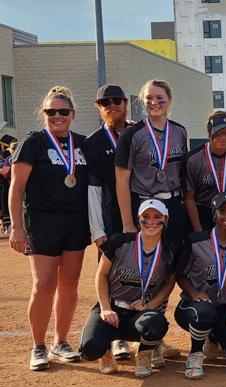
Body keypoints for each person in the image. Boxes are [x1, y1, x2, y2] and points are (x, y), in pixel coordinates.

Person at [9, 86, 89, 371]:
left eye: (63, 111)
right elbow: (16, 189)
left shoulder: (82, 143)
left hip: (76, 223)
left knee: (69, 284)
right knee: (44, 285)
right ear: (43, 114)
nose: (57, 116)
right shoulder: (33, 143)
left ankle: (61, 341)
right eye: (50, 112)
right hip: (42, 222)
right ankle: (38, 346)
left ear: (73, 114)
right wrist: (16, 228)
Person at [78, 200, 175, 377]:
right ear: (139, 220)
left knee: (156, 323)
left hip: (138, 314)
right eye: (145, 217)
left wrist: (151, 305)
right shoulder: (120, 242)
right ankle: (105, 350)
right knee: (89, 349)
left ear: (165, 220)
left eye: (157, 217)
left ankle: (144, 354)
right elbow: (101, 275)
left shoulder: (169, 251)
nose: (151, 222)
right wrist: (106, 308)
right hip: (113, 309)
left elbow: (170, 282)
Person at [175, 192, 226, 379]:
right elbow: (180, 275)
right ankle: (196, 354)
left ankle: (214, 336)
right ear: (214, 214)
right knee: (205, 313)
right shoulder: (196, 241)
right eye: (223, 211)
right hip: (193, 306)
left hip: (224, 309)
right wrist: (194, 292)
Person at [85, 84, 134, 361]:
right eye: (105, 102)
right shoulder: (93, 143)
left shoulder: (140, 132)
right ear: (99, 107)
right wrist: (97, 230)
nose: (111, 105)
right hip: (110, 221)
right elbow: (93, 189)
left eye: (116, 100)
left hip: (143, 219)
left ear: (126, 103)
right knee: (111, 278)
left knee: (146, 274)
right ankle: (117, 339)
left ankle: (145, 335)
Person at [114, 80, 188, 244]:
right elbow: (121, 182)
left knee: (174, 259)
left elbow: (183, 173)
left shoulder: (180, 131)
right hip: (144, 204)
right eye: (149, 98)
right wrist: (127, 223)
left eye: (160, 98)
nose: (154, 103)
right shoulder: (131, 134)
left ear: (169, 101)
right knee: (147, 260)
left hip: (173, 203)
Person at [184, 111, 226, 231]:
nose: (224, 137)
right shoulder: (193, 159)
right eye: (219, 132)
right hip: (204, 213)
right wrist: (198, 230)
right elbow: (189, 198)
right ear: (210, 131)